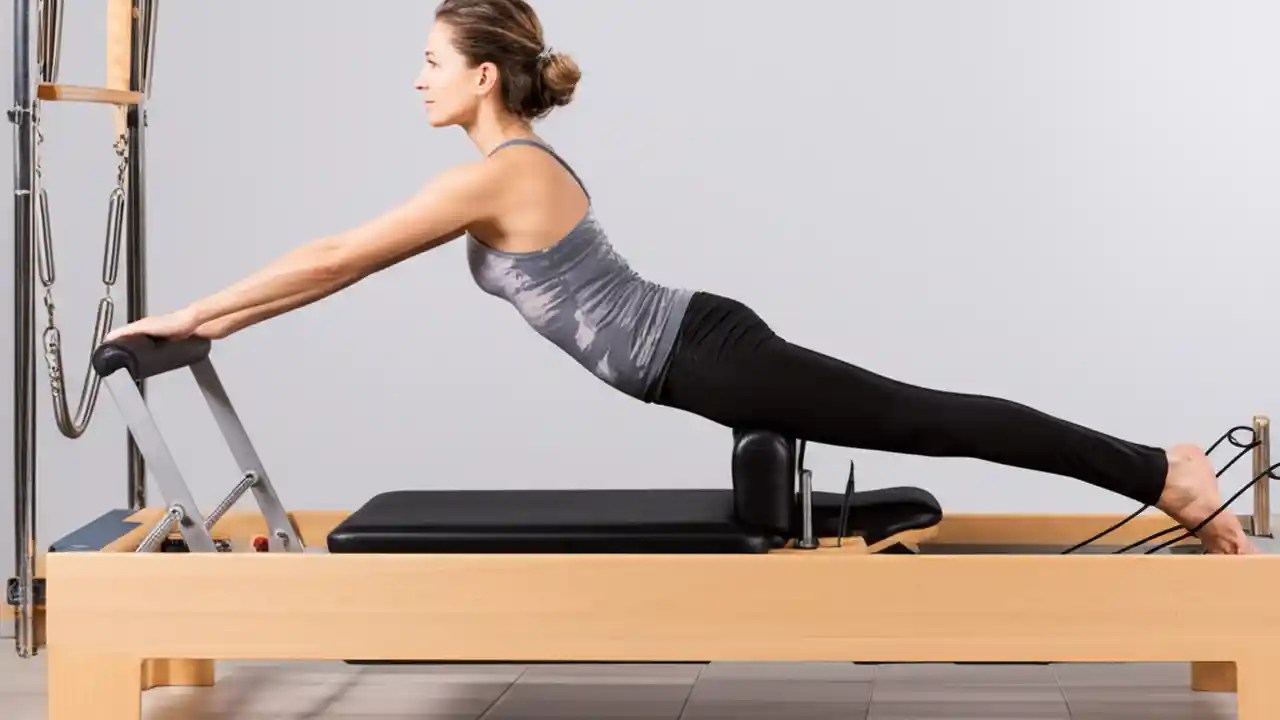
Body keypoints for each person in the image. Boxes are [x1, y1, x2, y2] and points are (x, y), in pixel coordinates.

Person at [106, 0, 1257, 554]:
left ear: (483, 79)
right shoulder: (498, 166)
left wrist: (193, 314)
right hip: (700, 348)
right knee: (922, 413)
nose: (414, 81)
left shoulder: (497, 172)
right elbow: (333, 273)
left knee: (926, 416)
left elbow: (332, 258)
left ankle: (1159, 471)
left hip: (703, 352)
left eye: (427, 63)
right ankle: (1157, 474)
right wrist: (214, 321)